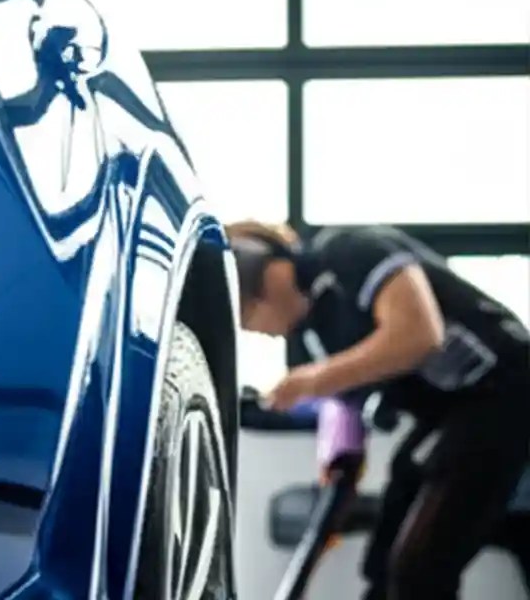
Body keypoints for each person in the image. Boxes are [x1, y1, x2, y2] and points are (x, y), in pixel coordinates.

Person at [226, 220, 530, 600]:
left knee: (419, 566)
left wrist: (313, 381)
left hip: (505, 388)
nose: (258, 333)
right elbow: (347, 410)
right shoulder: (314, 333)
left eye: (247, 320)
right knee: (383, 562)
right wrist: (339, 474)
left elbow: (419, 334)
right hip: (450, 413)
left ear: (259, 280)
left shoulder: (345, 253)